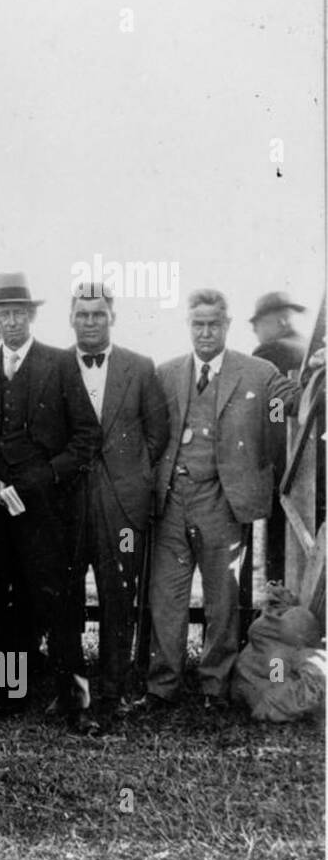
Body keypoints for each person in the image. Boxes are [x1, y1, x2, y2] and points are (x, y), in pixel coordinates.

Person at [0, 273, 101, 731]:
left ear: (32, 316)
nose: (11, 321)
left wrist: (38, 480)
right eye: (4, 314)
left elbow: (85, 438)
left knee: (56, 602)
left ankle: (75, 703)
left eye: (19, 313)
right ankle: (4, 696)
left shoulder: (59, 365)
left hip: (46, 513)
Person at [143, 289, 303, 712]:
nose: (206, 332)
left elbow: (281, 409)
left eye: (214, 323)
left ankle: (214, 686)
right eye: (198, 324)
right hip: (173, 501)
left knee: (222, 597)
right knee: (167, 597)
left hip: (221, 501)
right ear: (188, 326)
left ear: (228, 326)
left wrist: (294, 397)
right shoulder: (166, 373)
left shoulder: (258, 372)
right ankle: (163, 686)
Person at [65, 283, 168, 718]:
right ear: (71, 318)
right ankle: (71, 689)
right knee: (65, 597)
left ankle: (113, 687)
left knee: (118, 596)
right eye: (83, 314)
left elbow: (157, 433)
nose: (90, 322)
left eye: (99, 314)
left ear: (112, 317)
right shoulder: (54, 365)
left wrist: (131, 476)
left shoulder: (139, 367)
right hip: (67, 505)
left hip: (122, 508)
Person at [250, 290, 309, 584]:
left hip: (283, 465)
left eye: (258, 323)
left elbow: (272, 413)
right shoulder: (306, 348)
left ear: (280, 320)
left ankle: (278, 601)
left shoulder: (271, 352)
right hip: (312, 468)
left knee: (279, 545)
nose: (255, 331)